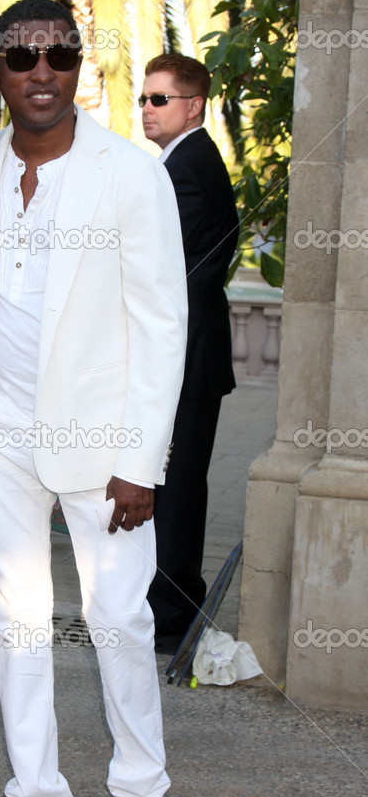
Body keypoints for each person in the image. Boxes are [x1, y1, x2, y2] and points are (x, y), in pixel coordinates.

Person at [0, 0, 188, 797]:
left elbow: (164, 325)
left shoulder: (131, 175)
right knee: (14, 620)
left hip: (102, 446)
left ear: (81, 62)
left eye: (58, 53)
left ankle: (144, 791)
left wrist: (141, 463)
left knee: (120, 618)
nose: (41, 71)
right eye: (21, 58)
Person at [140, 54, 239, 650]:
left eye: (159, 100)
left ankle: (172, 616)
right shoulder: (186, 161)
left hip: (187, 356)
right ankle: (172, 606)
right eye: (145, 99)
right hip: (190, 353)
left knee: (175, 488)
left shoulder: (188, 167)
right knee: (176, 484)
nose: (146, 110)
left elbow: (160, 271)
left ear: (193, 105)